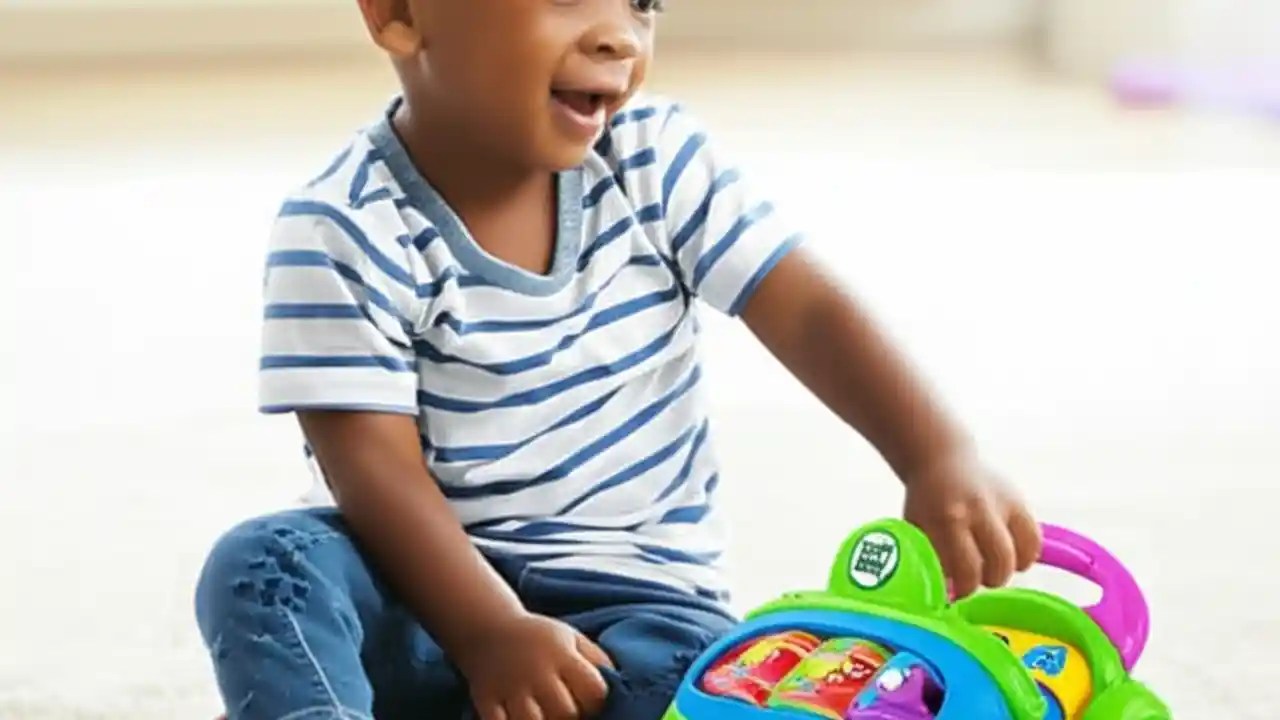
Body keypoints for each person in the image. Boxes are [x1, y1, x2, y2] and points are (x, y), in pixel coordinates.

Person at [194, 1, 1043, 719]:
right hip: (414, 591)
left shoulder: (655, 161)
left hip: (635, 604)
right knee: (263, 566)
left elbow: (808, 309)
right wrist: (489, 630)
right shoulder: (339, 225)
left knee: (707, 680)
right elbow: (369, 465)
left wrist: (936, 453)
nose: (620, 38)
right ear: (398, 13)